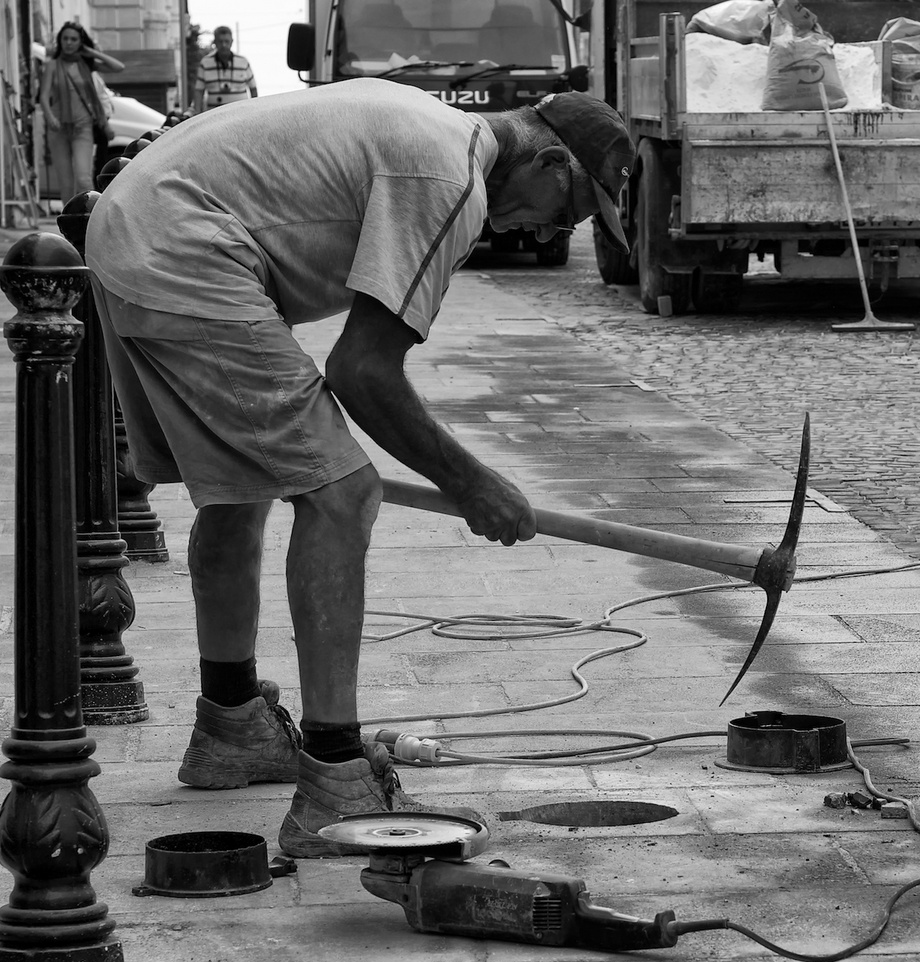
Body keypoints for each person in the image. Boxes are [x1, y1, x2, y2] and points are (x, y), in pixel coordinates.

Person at [85, 83, 634, 857]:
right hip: (185, 245)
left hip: (132, 224)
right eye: (567, 210)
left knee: (241, 485)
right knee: (344, 495)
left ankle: (232, 726)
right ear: (549, 162)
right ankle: (335, 777)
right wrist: (472, 482)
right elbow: (363, 370)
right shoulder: (451, 175)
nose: (547, 229)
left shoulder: (434, 134)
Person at [38, 21, 125, 204]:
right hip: (58, 128)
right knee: (66, 183)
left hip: (82, 126)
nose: (69, 43)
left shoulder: (86, 64)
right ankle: (69, 218)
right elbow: (44, 97)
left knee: (83, 178)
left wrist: (91, 52)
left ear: (80, 42)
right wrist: (50, 117)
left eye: (73, 39)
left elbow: (119, 67)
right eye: (65, 39)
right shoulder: (52, 65)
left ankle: (88, 215)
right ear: (60, 41)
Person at [193, 26, 259, 112]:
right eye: (220, 42)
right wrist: (197, 113)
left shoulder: (243, 62)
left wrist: (254, 111)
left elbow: (253, 88)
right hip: (214, 115)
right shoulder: (205, 63)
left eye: (226, 41)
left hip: (241, 114)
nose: (224, 45)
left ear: (232, 42)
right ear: (215, 42)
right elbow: (199, 91)